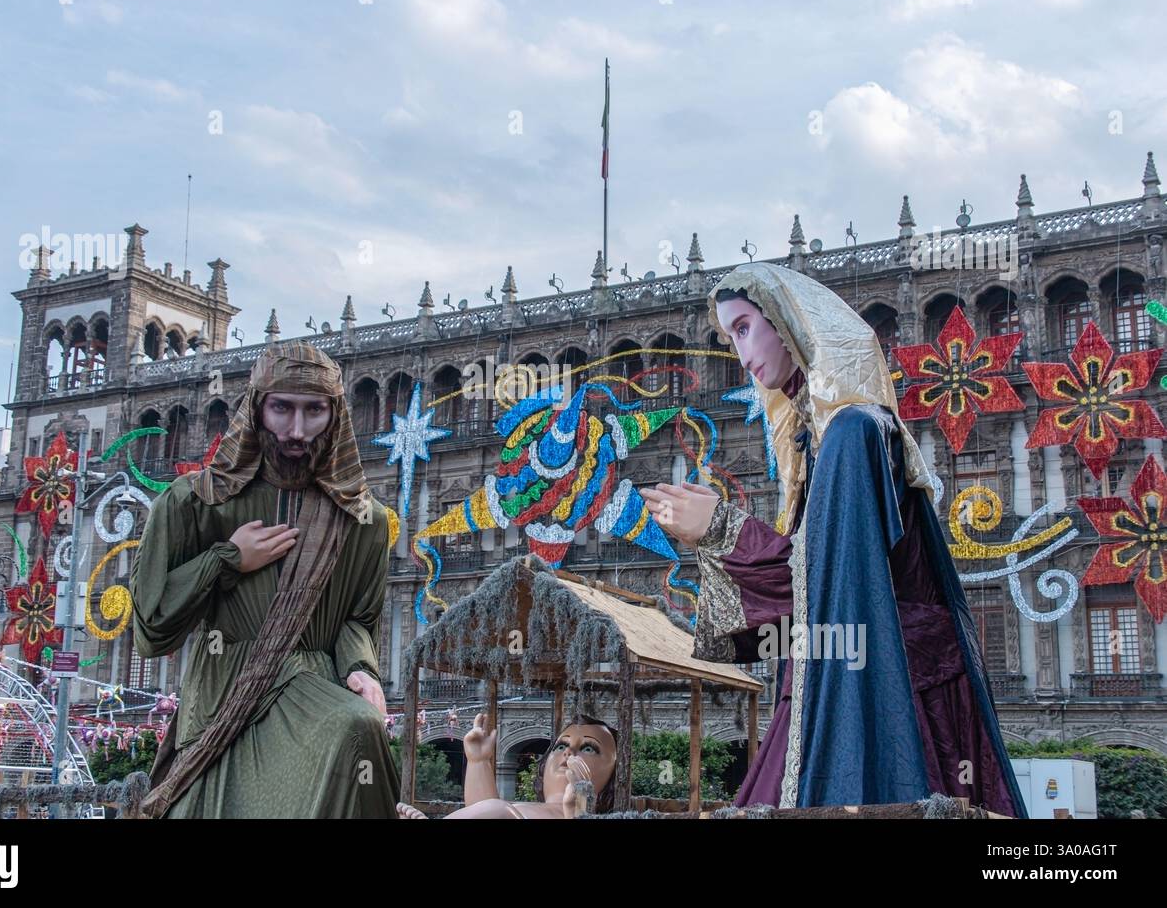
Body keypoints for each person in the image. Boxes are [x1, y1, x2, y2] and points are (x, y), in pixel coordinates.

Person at [640, 262, 1026, 816]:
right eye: (730, 338)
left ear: (788, 321)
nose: (741, 352)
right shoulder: (818, 441)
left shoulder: (853, 431)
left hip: (886, 694)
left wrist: (723, 530)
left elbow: (834, 579)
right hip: (835, 672)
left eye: (746, 327)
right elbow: (818, 586)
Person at [133, 341, 398, 818]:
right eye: (282, 408)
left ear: (335, 415)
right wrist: (226, 558)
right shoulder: (194, 502)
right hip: (224, 686)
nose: (296, 431)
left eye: (313, 410)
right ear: (256, 410)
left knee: (358, 727)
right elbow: (152, 628)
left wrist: (362, 668)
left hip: (313, 683)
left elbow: (357, 619)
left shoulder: (364, 519)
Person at [396, 713, 617, 819]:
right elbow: (481, 810)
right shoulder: (521, 806)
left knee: (499, 809)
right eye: (561, 746)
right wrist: (479, 762)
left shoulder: (577, 812)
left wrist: (580, 800)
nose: (569, 752)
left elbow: (494, 811)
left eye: (588, 748)